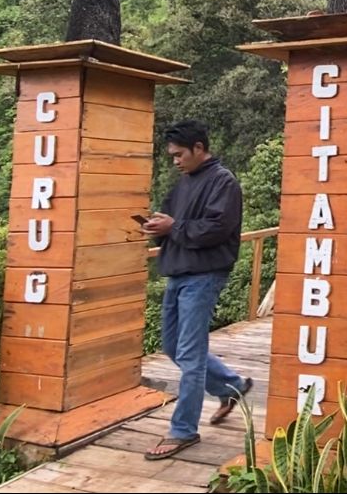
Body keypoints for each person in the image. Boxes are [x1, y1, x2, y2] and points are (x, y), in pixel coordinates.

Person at [143, 120, 251, 461]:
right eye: (172, 156)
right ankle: (230, 386)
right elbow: (172, 226)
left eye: (179, 155)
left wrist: (174, 226)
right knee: (173, 346)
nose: (175, 161)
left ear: (199, 149)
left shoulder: (223, 182)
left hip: (204, 275)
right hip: (177, 271)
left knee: (190, 355)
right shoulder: (182, 185)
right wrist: (157, 228)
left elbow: (217, 229)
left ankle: (183, 431)